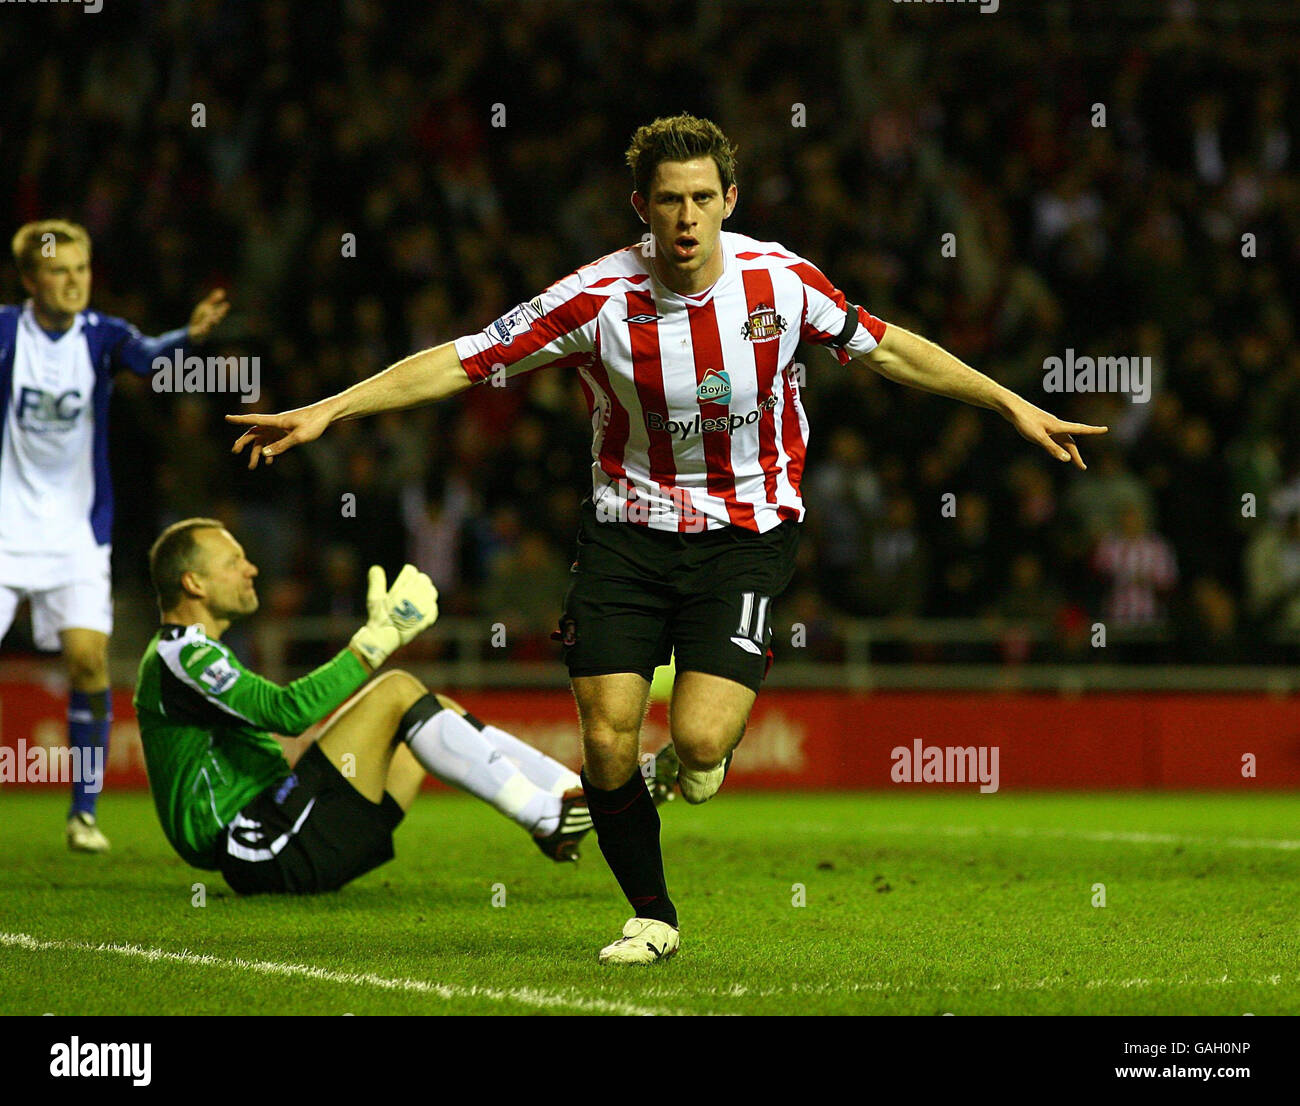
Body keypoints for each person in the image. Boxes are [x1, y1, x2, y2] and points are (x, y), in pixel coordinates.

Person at [227, 114, 1107, 960]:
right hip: (626, 534)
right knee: (607, 737)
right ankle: (652, 914)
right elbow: (463, 358)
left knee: (696, 742)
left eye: (700, 197)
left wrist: (1008, 402)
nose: (684, 217)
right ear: (639, 208)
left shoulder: (781, 283)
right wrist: (330, 409)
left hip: (747, 531)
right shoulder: (595, 298)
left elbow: (888, 348)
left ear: (730, 198)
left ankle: (699, 758)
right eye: (667, 200)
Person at [133, 517, 645, 894]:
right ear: (194, 583)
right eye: (232, 562)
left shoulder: (188, 654)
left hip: (284, 834)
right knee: (398, 690)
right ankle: (545, 815)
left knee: (427, 707)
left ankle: (571, 795)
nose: (251, 568)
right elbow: (286, 713)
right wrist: (372, 642)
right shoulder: (183, 654)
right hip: (257, 844)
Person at [0, 219, 229, 853]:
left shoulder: (102, 337)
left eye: (82, 269)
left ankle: (83, 814)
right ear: (29, 279)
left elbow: (151, 358)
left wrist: (191, 337)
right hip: (2, 532)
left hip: (77, 536)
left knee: (90, 661)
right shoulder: (4, 333)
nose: (74, 282)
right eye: (59, 270)